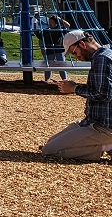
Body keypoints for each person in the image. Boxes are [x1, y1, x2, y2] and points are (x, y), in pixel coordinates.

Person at [41, 30, 112, 160]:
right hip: (95, 122)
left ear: (82, 44)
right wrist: (75, 86)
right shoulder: (104, 55)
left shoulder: (102, 59)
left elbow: (104, 94)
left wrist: (74, 88)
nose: (75, 56)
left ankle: (106, 146)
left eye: (74, 52)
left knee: (50, 150)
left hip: (104, 127)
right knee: (50, 143)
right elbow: (102, 89)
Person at [41, 15, 72, 82]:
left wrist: (59, 18)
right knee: (48, 66)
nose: (50, 24)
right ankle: (47, 80)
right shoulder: (46, 31)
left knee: (61, 66)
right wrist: (42, 49)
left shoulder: (60, 30)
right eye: (49, 22)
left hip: (59, 50)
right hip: (49, 50)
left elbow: (68, 25)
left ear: (56, 23)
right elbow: (40, 39)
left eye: (51, 22)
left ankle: (64, 80)